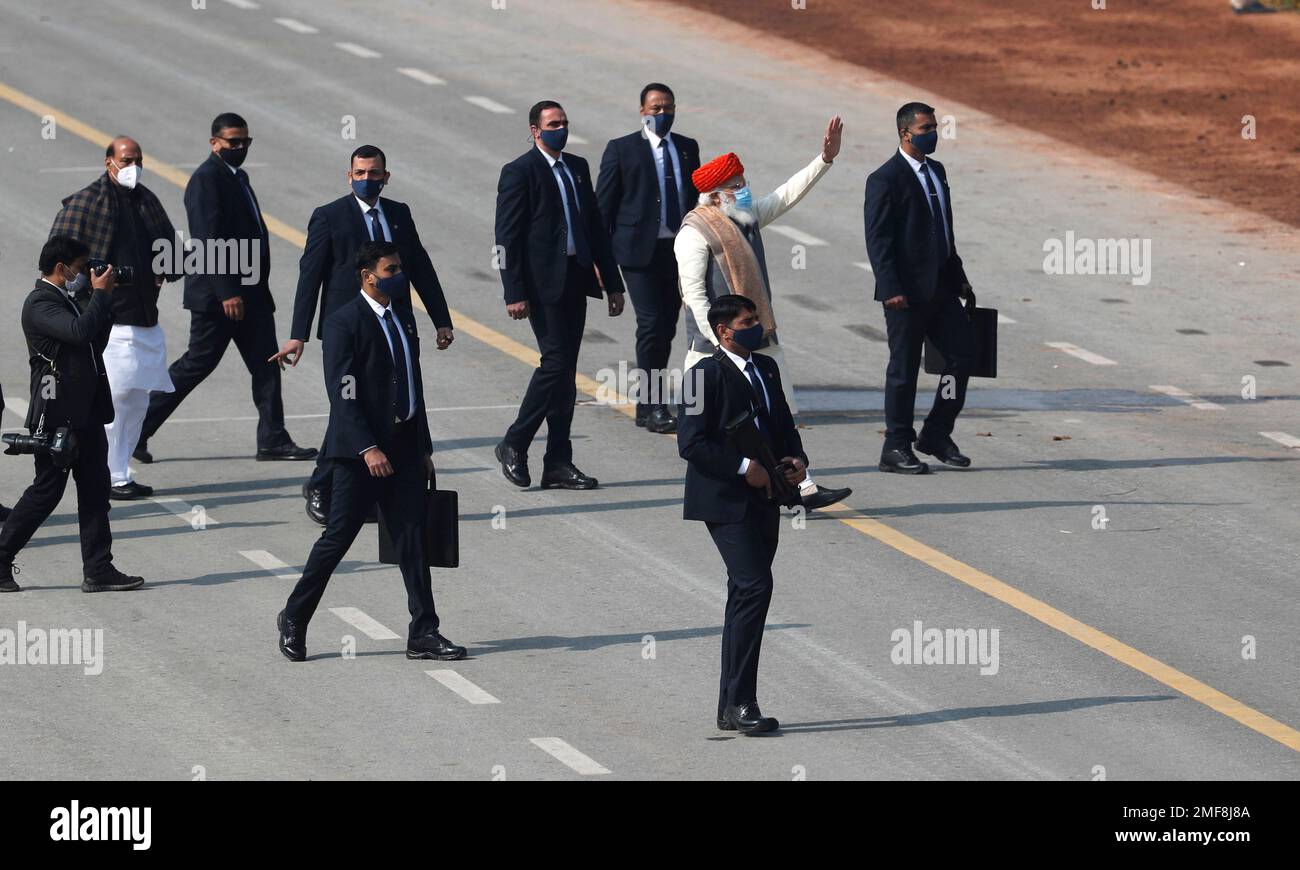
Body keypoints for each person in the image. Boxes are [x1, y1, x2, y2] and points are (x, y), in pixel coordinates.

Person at [278, 242, 465, 662]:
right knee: (337, 540)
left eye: (399, 269)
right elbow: (342, 395)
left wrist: (423, 447)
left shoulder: (403, 318)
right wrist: (368, 448)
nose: (398, 276)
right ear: (368, 275)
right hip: (361, 456)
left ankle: (424, 633)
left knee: (412, 540)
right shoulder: (344, 322)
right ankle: (294, 616)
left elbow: (412, 386)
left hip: (404, 447)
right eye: (391, 269)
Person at [270, 144, 455, 525]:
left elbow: (419, 266)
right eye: (360, 173)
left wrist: (441, 319)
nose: (367, 179)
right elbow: (311, 277)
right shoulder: (329, 217)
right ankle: (322, 485)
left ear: (386, 176)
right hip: (350, 330)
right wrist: (297, 334)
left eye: (374, 173)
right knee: (348, 402)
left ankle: (377, 487)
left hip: (395, 326)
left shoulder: (399, 214)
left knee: (389, 403)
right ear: (348, 175)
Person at [676, 118, 851, 511]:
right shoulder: (694, 233)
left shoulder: (746, 217)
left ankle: (801, 486)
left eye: (743, 181)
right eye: (736, 185)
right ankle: (745, 488)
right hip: (713, 350)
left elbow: (786, 196)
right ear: (716, 195)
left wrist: (824, 159)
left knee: (781, 413)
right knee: (722, 428)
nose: (745, 189)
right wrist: (725, 346)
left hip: (759, 338)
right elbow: (696, 296)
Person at [135, 113, 315, 464]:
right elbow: (207, 239)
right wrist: (227, 290)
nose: (240, 148)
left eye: (245, 141)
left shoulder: (236, 176)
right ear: (214, 142)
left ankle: (273, 439)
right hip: (221, 297)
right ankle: (136, 427)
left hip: (251, 294)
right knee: (196, 364)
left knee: (266, 365)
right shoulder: (206, 180)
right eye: (233, 142)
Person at [678, 294, 812, 733]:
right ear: (723, 332)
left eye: (756, 319)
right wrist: (744, 468)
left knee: (744, 596)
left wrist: (796, 458)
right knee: (755, 587)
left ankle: (729, 705)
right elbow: (692, 444)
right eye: (748, 321)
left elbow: (782, 424)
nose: (757, 326)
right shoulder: (703, 376)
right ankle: (742, 703)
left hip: (766, 497)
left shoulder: (766, 368)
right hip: (724, 501)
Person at [493, 100, 625, 490]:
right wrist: (513, 291)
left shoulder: (578, 168)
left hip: (576, 278)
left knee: (565, 373)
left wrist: (613, 283)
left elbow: (596, 228)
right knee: (555, 364)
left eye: (564, 122)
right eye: (553, 124)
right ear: (535, 130)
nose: (560, 129)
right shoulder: (520, 171)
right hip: (540, 284)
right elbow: (507, 236)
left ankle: (558, 461)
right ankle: (515, 442)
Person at [0, 236, 145, 594]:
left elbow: (94, 340)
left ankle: (98, 568)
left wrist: (104, 301)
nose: (86, 274)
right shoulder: (40, 304)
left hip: (87, 412)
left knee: (96, 491)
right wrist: (101, 295)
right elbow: (80, 334)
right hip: (57, 413)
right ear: (61, 268)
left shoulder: (70, 301)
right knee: (46, 493)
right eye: (80, 268)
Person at [48, 135, 180, 500]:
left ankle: (119, 473)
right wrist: (93, 280)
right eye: (125, 160)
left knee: (137, 402)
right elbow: (58, 262)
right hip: (108, 320)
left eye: (137, 159)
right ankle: (104, 475)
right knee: (115, 399)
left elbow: (171, 250)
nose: (132, 166)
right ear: (109, 162)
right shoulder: (85, 204)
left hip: (144, 317)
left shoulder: (146, 200)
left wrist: (164, 268)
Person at [865, 102, 976, 474]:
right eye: (926, 128)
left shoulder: (937, 171)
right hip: (905, 295)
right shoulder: (885, 179)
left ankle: (936, 434)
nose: (933, 135)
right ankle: (896, 445)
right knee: (904, 369)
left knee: (962, 358)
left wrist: (958, 275)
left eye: (935, 128)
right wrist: (890, 286)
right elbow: (878, 239)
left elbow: (943, 228)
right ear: (905, 133)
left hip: (942, 286)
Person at [596, 82, 701, 434]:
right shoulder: (622, 150)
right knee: (652, 323)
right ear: (642, 110)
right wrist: (600, 261)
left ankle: (646, 407)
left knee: (667, 326)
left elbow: (696, 199)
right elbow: (603, 209)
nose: (662, 113)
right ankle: (655, 405)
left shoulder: (687, 148)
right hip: (637, 253)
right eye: (655, 108)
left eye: (668, 107)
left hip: (677, 251)